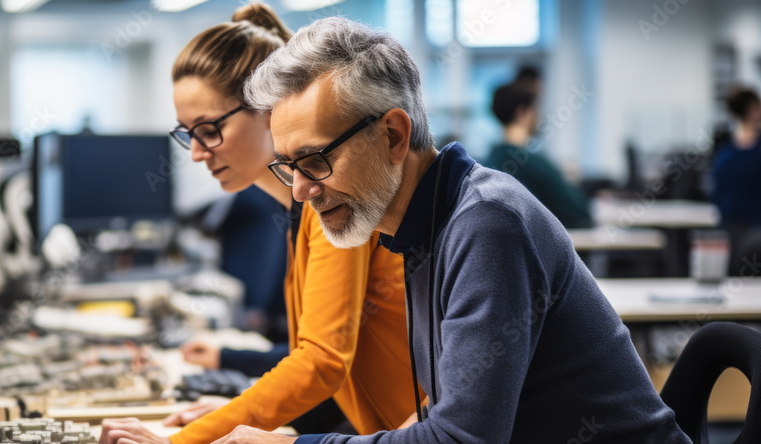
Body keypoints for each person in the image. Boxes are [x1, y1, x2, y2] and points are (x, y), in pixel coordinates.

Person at [220, 17, 691, 443]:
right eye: (288, 166)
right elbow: (448, 406)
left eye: (316, 161)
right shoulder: (420, 226)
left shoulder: (486, 224)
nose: (300, 191)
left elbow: (462, 439)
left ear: (394, 136)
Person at [99, 5, 418, 444]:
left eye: (209, 129)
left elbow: (321, 363)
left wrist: (180, 442)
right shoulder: (302, 213)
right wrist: (237, 412)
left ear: (269, 110)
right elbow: (333, 365)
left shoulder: (336, 210)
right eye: (187, 133)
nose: (196, 151)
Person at [485, 82, 593, 228]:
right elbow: (580, 212)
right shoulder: (533, 164)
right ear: (523, 112)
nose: (539, 115)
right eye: (535, 109)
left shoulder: (490, 160)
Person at [712, 86, 761, 228]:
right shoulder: (752, 152)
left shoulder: (723, 152)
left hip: (730, 225)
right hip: (753, 225)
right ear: (753, 108)